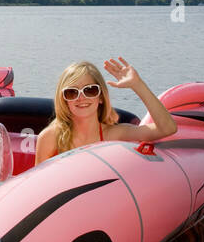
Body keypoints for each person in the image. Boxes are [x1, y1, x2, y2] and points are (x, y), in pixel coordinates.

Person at [35, 57, 177, 165]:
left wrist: (137, 85)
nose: (81, 98)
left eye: (90, 90)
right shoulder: (49, 138)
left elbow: (167, 128)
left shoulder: (114, 134)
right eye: (72, 93)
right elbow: (36, 188)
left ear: (101, 97)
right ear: (64, 99)